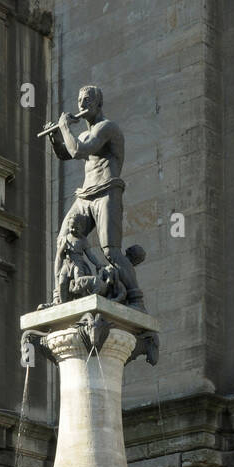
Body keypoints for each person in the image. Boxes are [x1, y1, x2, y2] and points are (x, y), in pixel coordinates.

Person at [46, 84, 145, 311]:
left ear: (99, 103)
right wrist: (55, 137)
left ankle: (136, 299)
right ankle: (58, 297)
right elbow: (65, 153)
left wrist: (63, 128)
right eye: (80, 100)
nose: (82, 104)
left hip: (107, 190)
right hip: (85, 195)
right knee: (63, 239)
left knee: (110, 250)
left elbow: (79, 150)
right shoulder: (82, 133)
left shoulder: (107, 128)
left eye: (87, 100)